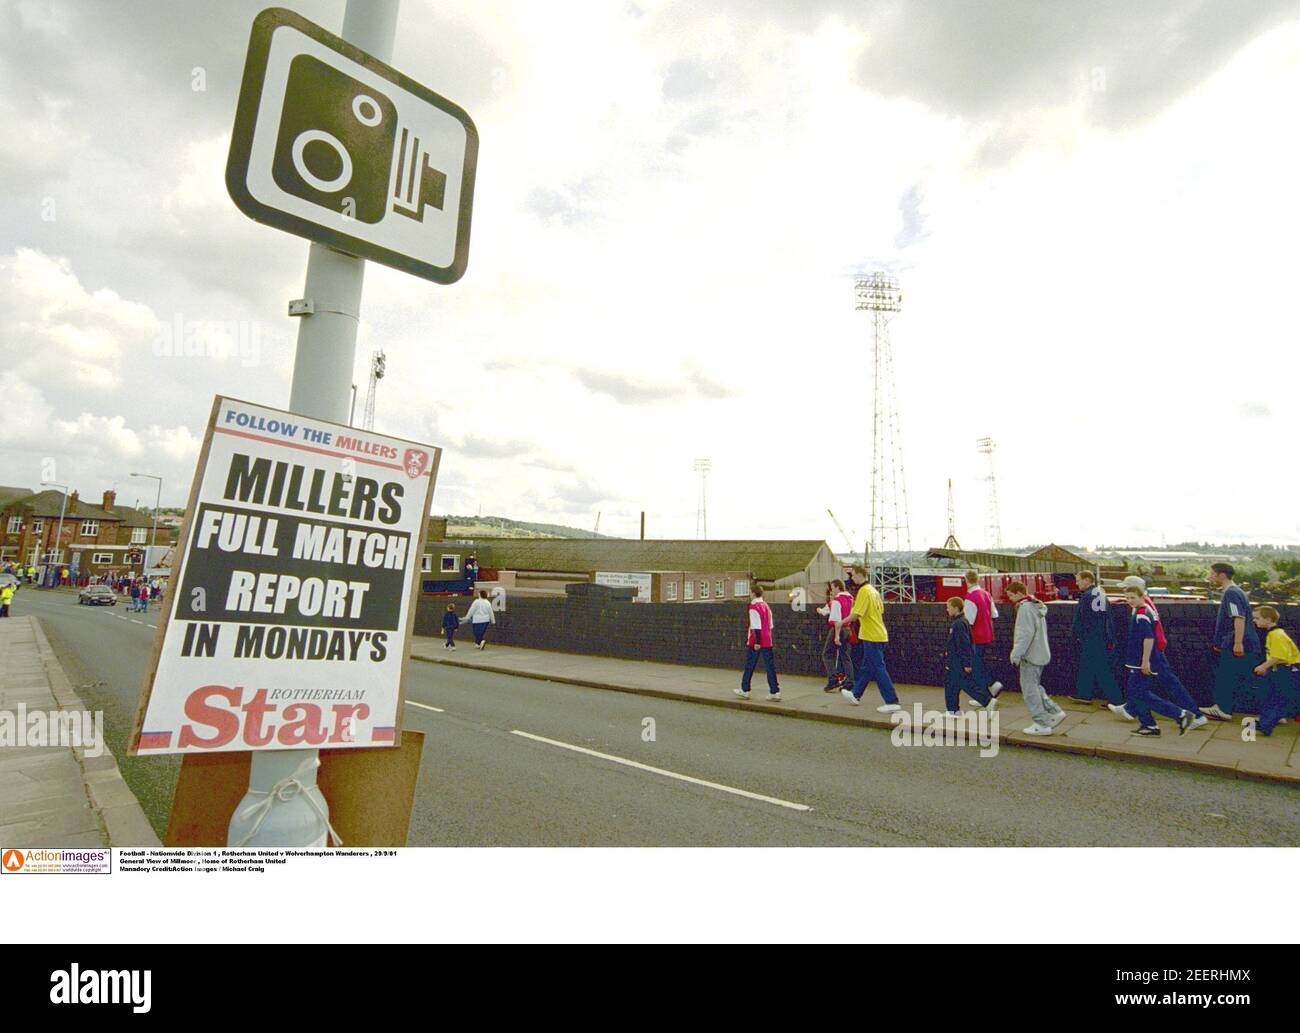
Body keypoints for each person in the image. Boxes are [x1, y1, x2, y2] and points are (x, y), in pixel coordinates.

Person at [1114, 575, 1206, 726]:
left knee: (1168, 684)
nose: (1124, 592)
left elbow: (1148, 635)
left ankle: (1192, 715)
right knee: (1143, 684)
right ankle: (1133, 710)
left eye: (1127, 589)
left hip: (1152, 653)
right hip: (1155, 651)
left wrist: (1145, 659)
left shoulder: (1142, 609)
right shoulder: (1145, 603)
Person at [1005, 580, 1065, 735]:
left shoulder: (1025, 608)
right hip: (1040, 652)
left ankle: (1041, 724)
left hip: (1029, 655)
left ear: (1019, 593)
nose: (1010, 599)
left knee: (1029, 690)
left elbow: (1024, 634)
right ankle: (1054, 711)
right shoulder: (1035, 606)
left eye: (1011, 595)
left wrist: (1016, 654)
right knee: (1035, 686)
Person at [840, 565, 901, 712]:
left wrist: (840, 622)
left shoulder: (864, 591)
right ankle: (856, 694)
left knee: (878, 668)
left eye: (853, 575)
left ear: (860, 574)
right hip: (879, 633)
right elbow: (881, 610)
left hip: (871, 635)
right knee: (867, 667)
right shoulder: (873, 590)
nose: (852, 578)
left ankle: (892, 701)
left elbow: (856, 614)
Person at [1204, 562, 1260, 720]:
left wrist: (1237, 642)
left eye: (1212, 573)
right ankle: (1274, 712)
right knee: (1247, 677)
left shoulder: (1231, 593)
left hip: (1236, 642)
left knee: (1226, 676)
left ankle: (1223, 708)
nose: (1210, 576)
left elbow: (1238, 617)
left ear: (1222, 575)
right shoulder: (1239, 592)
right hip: (1244, 641)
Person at [1069, 570, 1121, 705]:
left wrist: (1076, 635)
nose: (1077, 583)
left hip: (1091, 638)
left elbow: (1080, 619)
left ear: (1087, 580)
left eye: (1078, 580)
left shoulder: (1086, 596)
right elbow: (1107, 617)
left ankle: (1116, 700)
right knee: (1088, 666)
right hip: (1103, 636)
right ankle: (1084, 694)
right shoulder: (1101, 593)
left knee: (1101, 669)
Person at [943, 596, 999, 716]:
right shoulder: (961, 621)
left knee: (966, 684)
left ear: (955, 608)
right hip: (956, 660)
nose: (947, 610)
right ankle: (953, 710)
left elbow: (965, 643)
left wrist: (967, 663)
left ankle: (987, 701)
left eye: (948, 607)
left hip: (957, 661)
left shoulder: (958, 623)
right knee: (952, 685)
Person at [1252, 606, 1300, 736]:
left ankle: (1266, 723)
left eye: (1257, 618)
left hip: (1288, 670)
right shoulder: (1275, 633)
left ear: (1268, 619)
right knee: (1276, 696)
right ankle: (1267, 722)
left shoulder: (1276, 635)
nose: (1254, 621)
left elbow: (1279, 656)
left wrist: (1264, 666)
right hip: (1287, 669)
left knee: (1277, 697)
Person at [961, 571, 1003, 701]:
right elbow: (995, 614)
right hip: (987, 634)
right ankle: (990, 687)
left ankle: (986, 694)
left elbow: (969, 621)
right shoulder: (986, 594)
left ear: (966, 580)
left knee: (975, 665)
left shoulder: (970, 597)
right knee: (979, 662)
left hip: (975, 637)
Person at [735, 585, 781, 701]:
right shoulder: (766, 605)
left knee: (749, 665)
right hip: (767, 638)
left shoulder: (753, 606)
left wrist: (757, 642)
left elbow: (756, 626)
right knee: (770, 666)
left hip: (756, 639)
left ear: (753, 593)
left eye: (750, 592)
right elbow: (770, 625)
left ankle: (745, 690)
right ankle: (775, 692)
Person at [816, 579, 855, 692]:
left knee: (827, 655)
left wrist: (837, 636)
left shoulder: (837, 601)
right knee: (845, 656)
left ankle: (833, 680)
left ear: (838, 587)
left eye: (832, 588)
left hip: (838, 629)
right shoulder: (850, 598)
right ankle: (850, 682)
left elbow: (836, 619)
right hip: (848, 629)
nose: (831, 590)